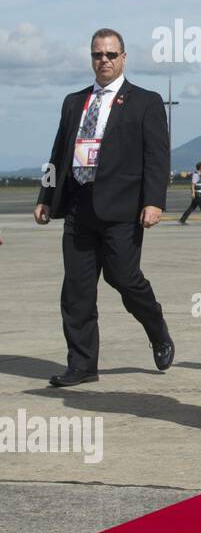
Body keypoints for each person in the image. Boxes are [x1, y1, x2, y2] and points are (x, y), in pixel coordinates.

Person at [35, 28, 173, 387]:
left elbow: (157, 157)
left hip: (123, 209)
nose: (104, 61)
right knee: (77, 290)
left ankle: (156, 328)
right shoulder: (73, 102)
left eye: (111, 54)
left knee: (124, 278)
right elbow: (57, 154)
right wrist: (45, 197)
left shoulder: (145, 101)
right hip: (79, 204)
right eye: (98, 55)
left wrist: (154, 201)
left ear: (123, 57)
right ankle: (82, 365)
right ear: (91, 58)